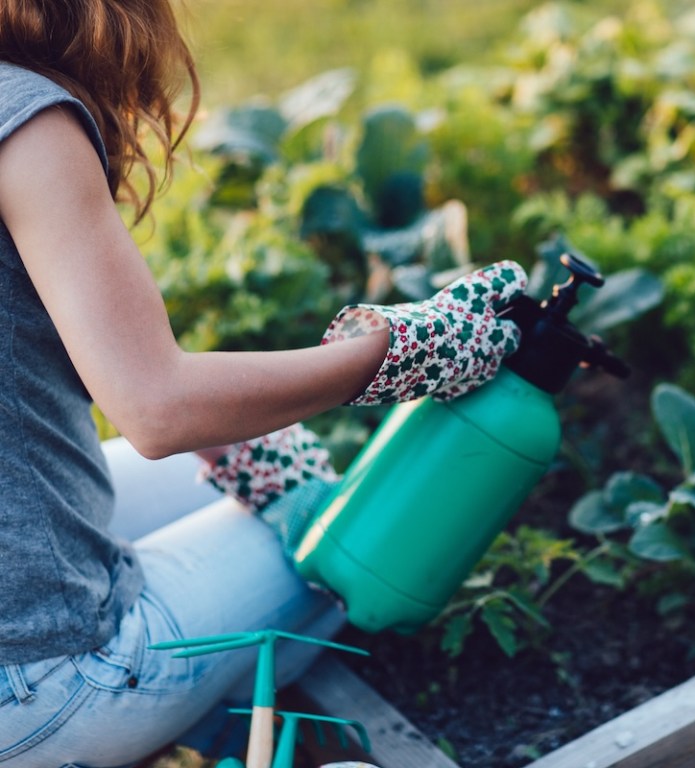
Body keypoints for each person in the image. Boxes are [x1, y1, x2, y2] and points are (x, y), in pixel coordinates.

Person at [0, 1, 526, 766]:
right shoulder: (24, 121)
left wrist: (238, 435)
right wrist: (404, 350)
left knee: (270, 471)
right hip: (38, 682)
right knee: (353, 540)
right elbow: (156, 408)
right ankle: (196, 725)